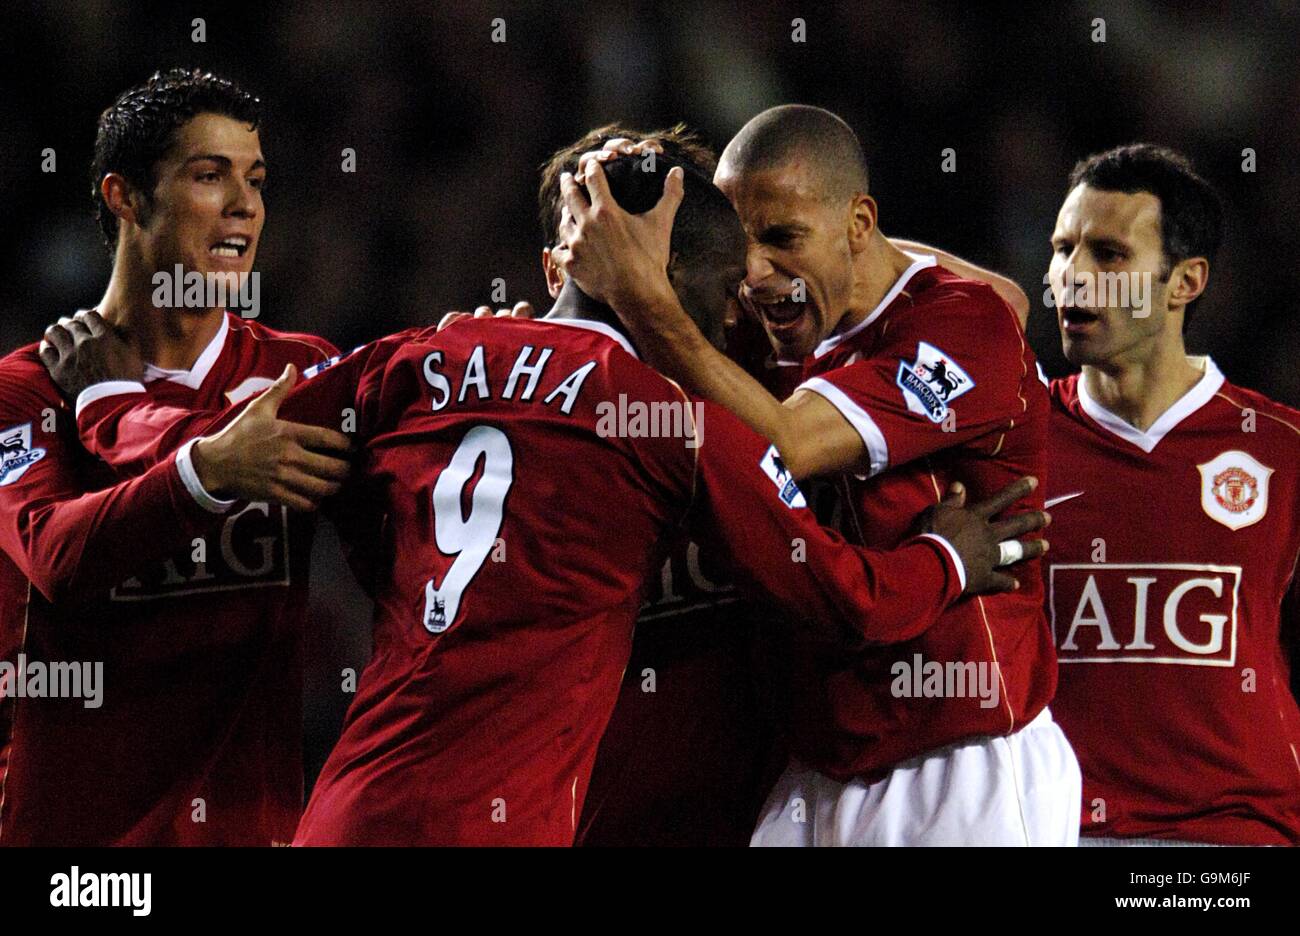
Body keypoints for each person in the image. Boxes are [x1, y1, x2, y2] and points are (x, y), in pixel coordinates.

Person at [49, 153, 1048, 844]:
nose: (757, 310)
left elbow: (195, 443)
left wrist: (102, 397)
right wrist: (952, 556)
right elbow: (846, 599)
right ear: (678, 294)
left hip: (347, 813)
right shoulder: (671, 417)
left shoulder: (409, 359)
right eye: (738, 289)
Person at [556, 105, 1079, 845]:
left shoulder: (962, 326)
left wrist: (643, 299)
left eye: (784, 239)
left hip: (958, 762)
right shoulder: (777, 336)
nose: (757, 274)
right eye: (746, 245)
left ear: (860, 225)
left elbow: (792, 442)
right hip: (813, 772)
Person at [0, 68, 349, 845]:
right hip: (79, 852)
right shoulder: (26, 389)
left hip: (247, 830)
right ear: (124, 196)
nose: (244, 206)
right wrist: (209, 472)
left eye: (255, 181)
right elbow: (58, 554)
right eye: (208, 176)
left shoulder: (300, 374)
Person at [1041, 143, 1300, 845]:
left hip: (1231, 833)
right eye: (1063, 250)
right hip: (1055, 824)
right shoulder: (1014, 440)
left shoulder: (1280, 449)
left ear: (1185, 281)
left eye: (1108, 255)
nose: (1072, 278)